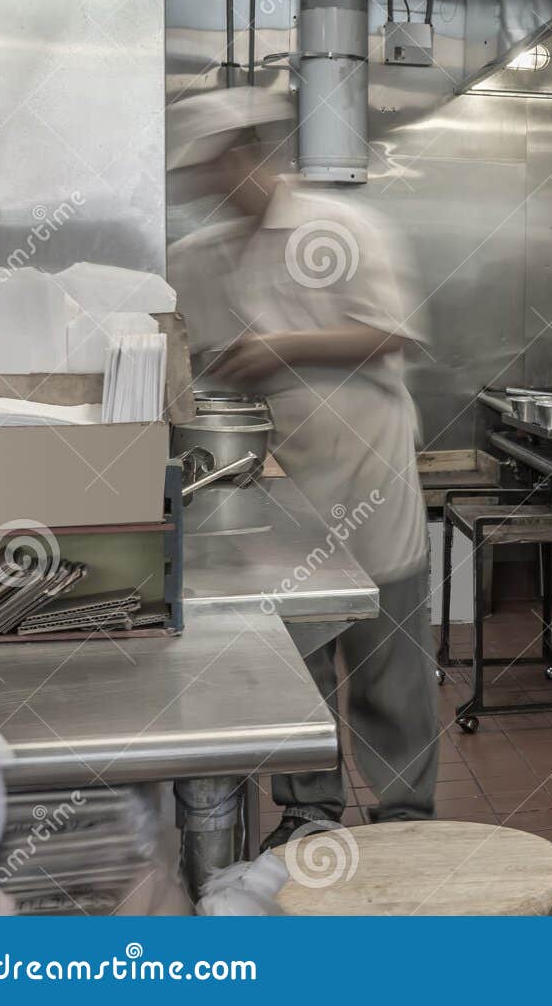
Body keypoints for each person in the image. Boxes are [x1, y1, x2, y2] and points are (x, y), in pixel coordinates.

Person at [166, 89, 437, 849]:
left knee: (389, 657)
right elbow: (180, 353)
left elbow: (393, 332)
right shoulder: (200, 256)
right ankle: (311, 804)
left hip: (366, 470)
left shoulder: (341, 227)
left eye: (217, 167)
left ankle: (406, 812)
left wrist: (282, 348)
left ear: (249, 154)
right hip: (277, 483)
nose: (209, 186)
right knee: (300, 652)